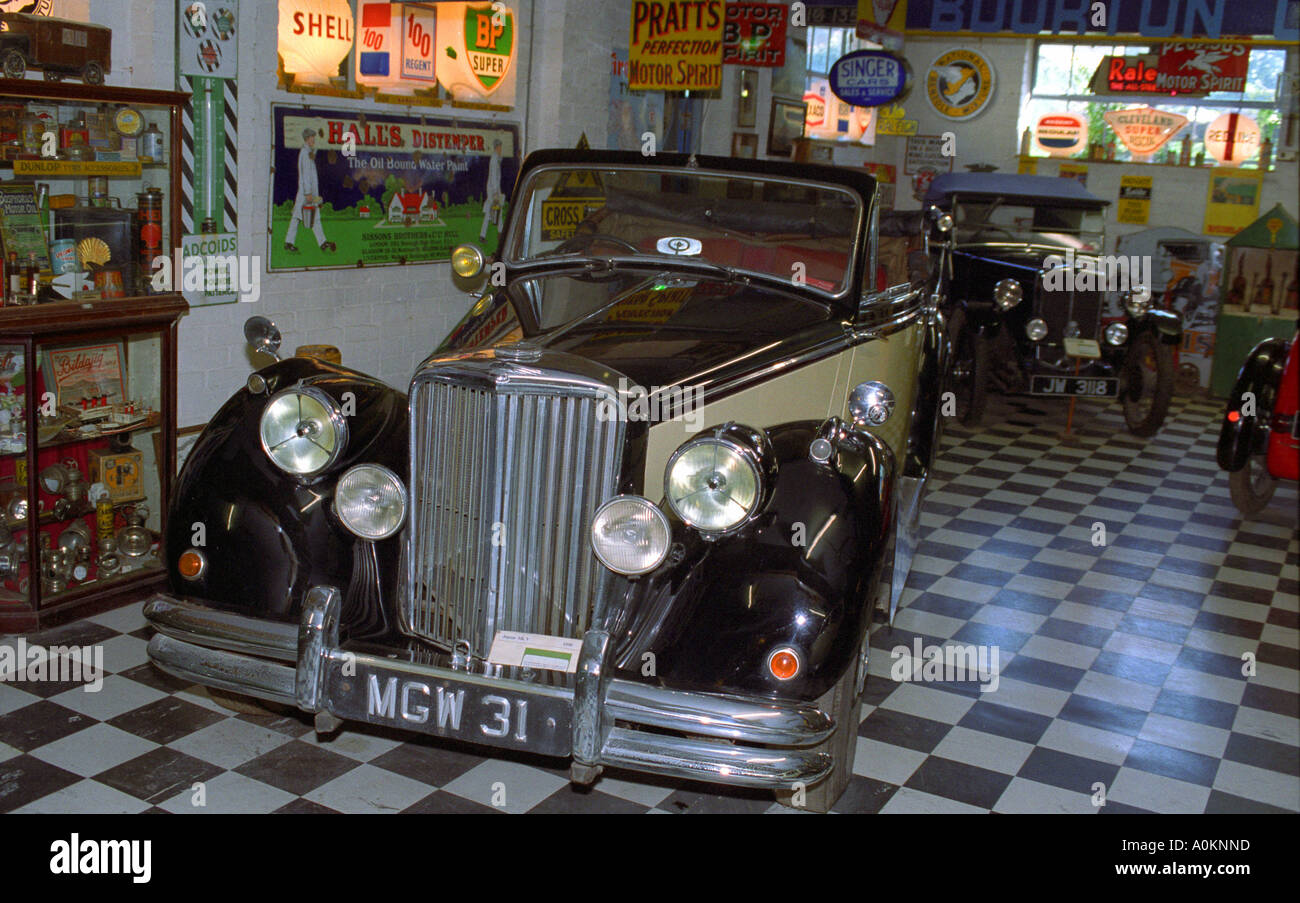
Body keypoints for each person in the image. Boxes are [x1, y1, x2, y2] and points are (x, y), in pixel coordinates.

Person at [285, 128, 336, 253]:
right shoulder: (305, 154)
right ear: (307, 139)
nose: (314, 139)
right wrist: (308, 193)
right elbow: (305, 175)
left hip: (309, 193)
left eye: (313, 137)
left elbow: (312, 161)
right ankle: (290, 242)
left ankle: (321, 242)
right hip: (305, 193)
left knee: (311, 217)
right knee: (299, 216)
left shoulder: (308, 153)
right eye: (312, 137)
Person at [479, 138, 504, 242]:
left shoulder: (495, 158)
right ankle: (498, 233)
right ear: (497, 147)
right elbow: (494, 176)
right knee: (494, 211)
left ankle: (498, 233)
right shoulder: (494, 159)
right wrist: (495, 193)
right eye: (499, 146)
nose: (501, 148)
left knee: (496, 211)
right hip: (493, 190)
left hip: (494, 189)